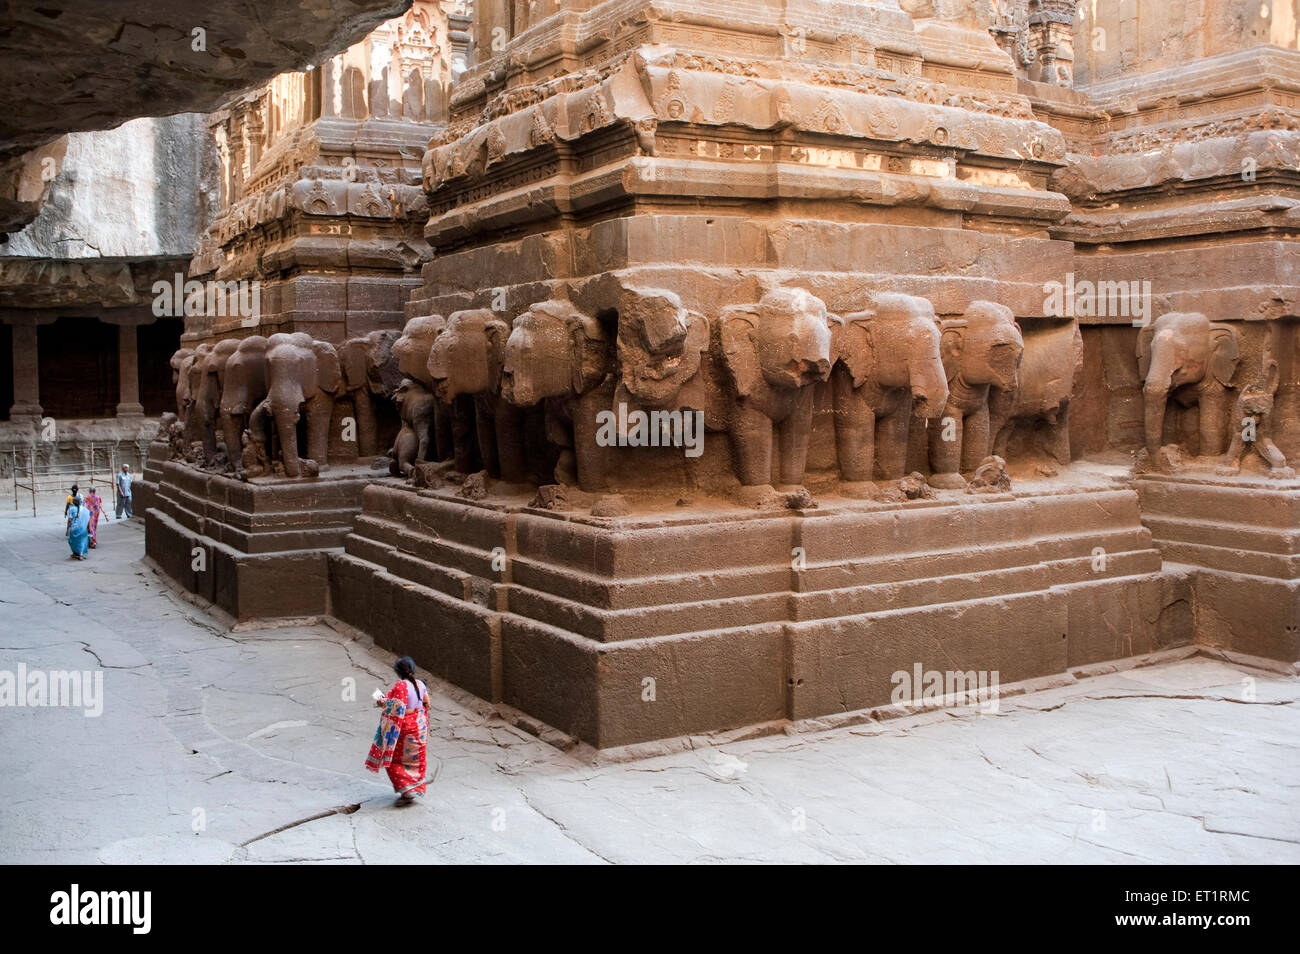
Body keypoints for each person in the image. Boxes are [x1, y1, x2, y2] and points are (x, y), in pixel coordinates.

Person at [365, 656, 430, 804]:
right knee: (415, 759)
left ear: (398, 672)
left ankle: (407, 791)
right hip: (419, 726)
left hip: (406, 728)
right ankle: (416, 785)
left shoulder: (401, 686)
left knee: (394, 759)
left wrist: (382, 702)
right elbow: (427, 703)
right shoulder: (420, 684)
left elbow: (395, 707)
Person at [66, 494, 90, 561]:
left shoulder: (71, 509)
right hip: (83, 529)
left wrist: (67, 529)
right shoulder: (85, 510)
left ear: (73, 502)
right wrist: (88, 529)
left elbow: (70, 520)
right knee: (82, 541)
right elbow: (88, 520)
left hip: (74, 529)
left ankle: (75, 553)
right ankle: (81, 555)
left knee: (72, 541)